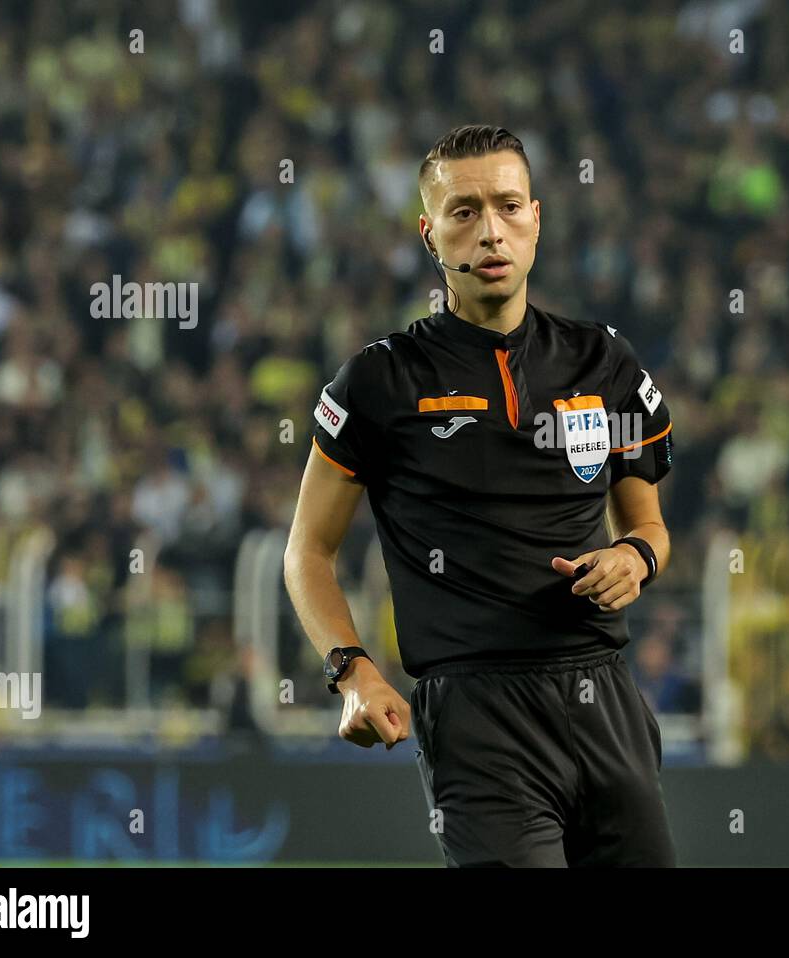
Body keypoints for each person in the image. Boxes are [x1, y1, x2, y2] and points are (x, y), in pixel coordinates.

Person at [284, 125, 677, 867]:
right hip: (476, 716)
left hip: (605, 702)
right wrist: (352, 671)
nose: (490, 230)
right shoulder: (380, 381)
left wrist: (635, 559)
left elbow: (649, 526)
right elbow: (307, 550)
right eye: (464, 212)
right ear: (430, 236)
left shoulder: (604, 361)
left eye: (506, 206)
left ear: (537, 219)